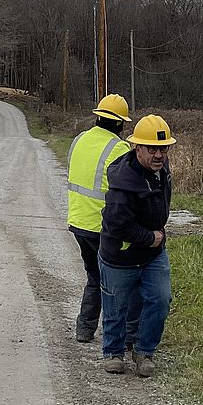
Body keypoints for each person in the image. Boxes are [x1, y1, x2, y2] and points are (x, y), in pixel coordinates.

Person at [99, 113, 176, 379]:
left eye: (163, 148)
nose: (159, 155)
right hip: (120, 255)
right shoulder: (123, 183)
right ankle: (114, 352)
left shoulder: (161, 170)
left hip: (153, 254)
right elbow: (116, 225)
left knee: (160, 299)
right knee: (116, 305)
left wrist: (155, 239)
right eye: (152, 149)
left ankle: (144, 351)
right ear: (137, 148)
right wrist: (150, 237)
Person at [66, 94, 135, 343]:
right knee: (118, 282)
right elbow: (127, 189)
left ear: (98, 117)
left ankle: (84, 329)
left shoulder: (78, 140)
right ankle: (123, 336)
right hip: (104, 227)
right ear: (120, 124)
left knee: (94, 277)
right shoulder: (119, 148)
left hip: (78, 221)